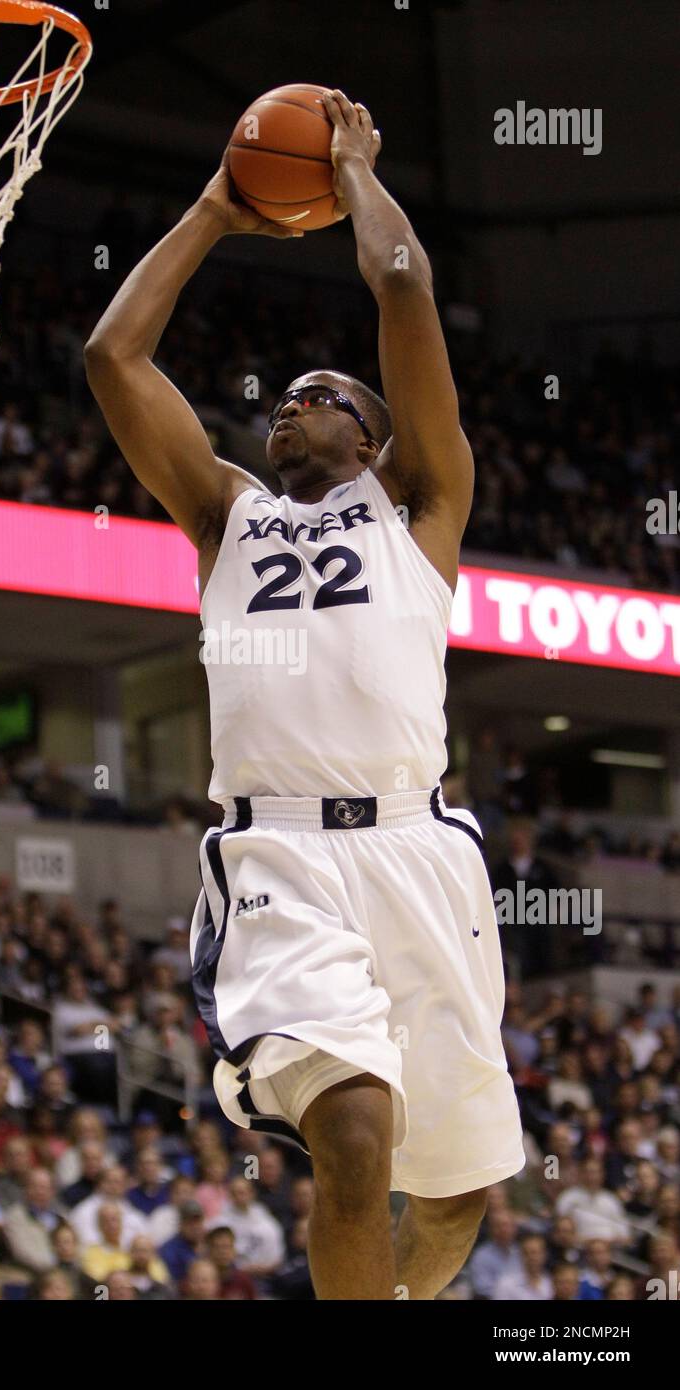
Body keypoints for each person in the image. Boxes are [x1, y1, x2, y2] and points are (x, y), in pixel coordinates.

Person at [85, 87, 523, 1300]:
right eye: (280, 396)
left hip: (420, 849)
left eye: (323, 393)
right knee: (351, 1139)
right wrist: (218, 210)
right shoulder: (227, 514)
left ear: (378, 439)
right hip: (280, 856)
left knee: (450, 1195)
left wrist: (353, 169)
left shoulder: (421, 507)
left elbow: (398, 287)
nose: (290, 401)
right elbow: (112, 356)